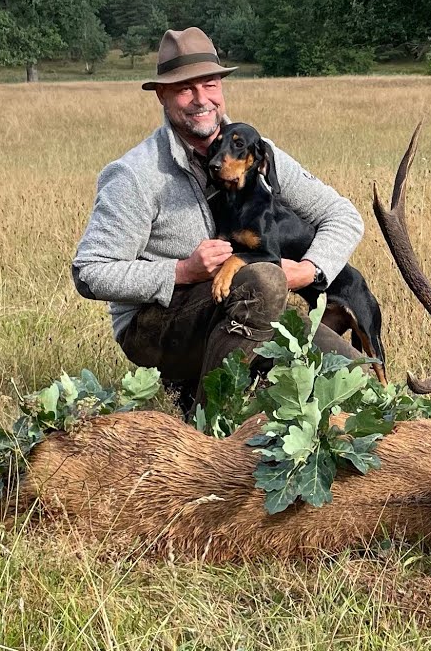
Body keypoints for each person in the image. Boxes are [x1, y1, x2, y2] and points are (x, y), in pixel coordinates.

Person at [71, 27, 366, 412]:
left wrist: (311, 271)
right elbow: (89, 272)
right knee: (260, 279)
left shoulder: (253, 148)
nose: (201, 100)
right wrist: (180, 271)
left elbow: (342, 215)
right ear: (161, 94)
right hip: (155, 324)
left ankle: (228, 393)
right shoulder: (135, 175)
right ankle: (208, 426)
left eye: (209, 85)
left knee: (355, 381)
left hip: (242, 306)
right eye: (184, 89)